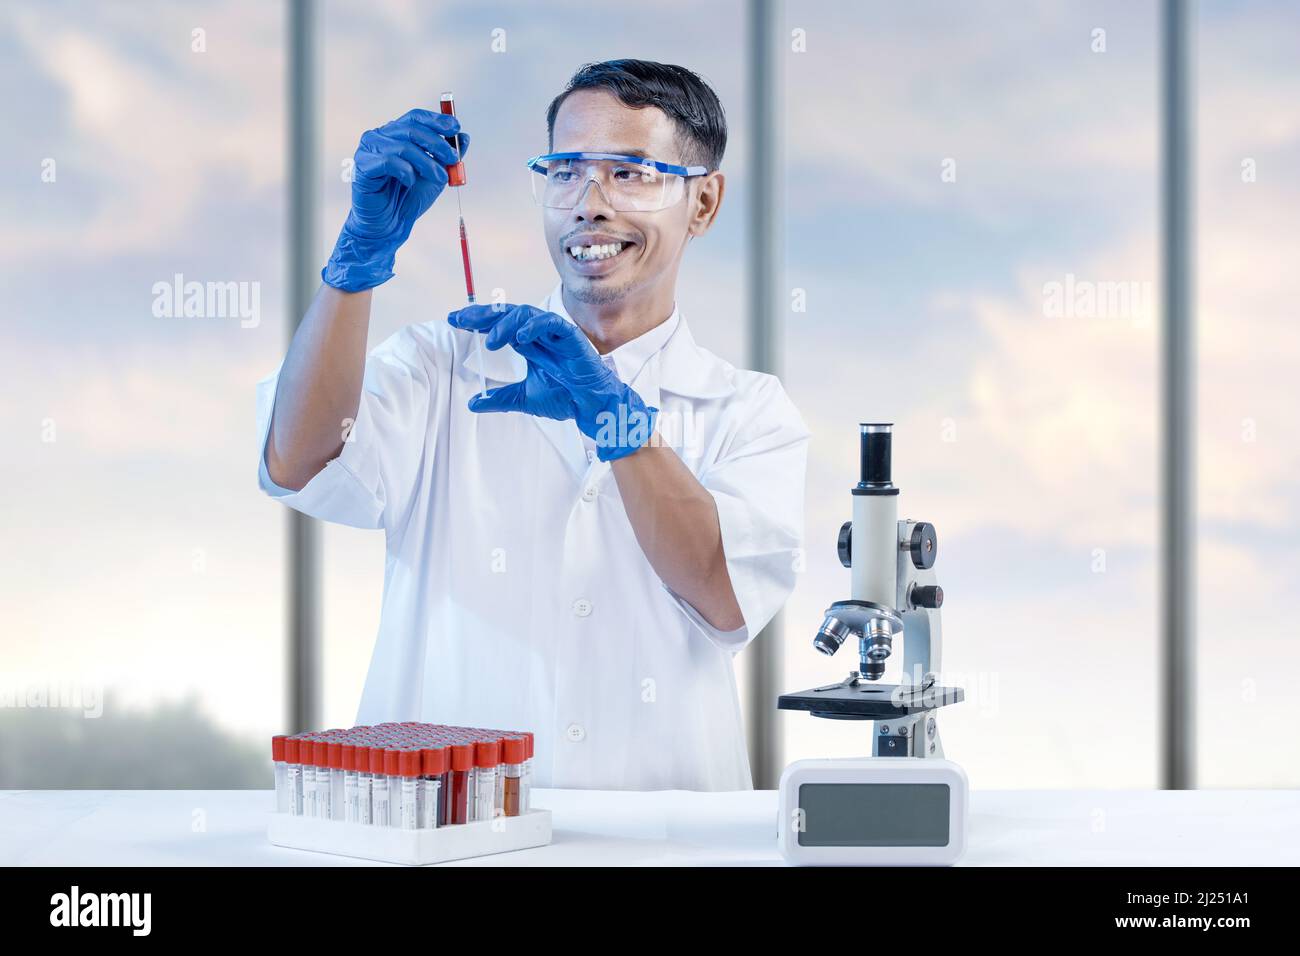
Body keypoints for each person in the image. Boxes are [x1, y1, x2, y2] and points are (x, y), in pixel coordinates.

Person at [256, 59, 809, 790]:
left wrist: (617, 420)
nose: (590, 203)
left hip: (665, 834)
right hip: (446, 822)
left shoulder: (748, 409)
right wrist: (354, 264)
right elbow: (296, 461)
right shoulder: (443, 364)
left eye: (630, 173)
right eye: (566, 171)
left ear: (703, 202)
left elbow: (720, 592)